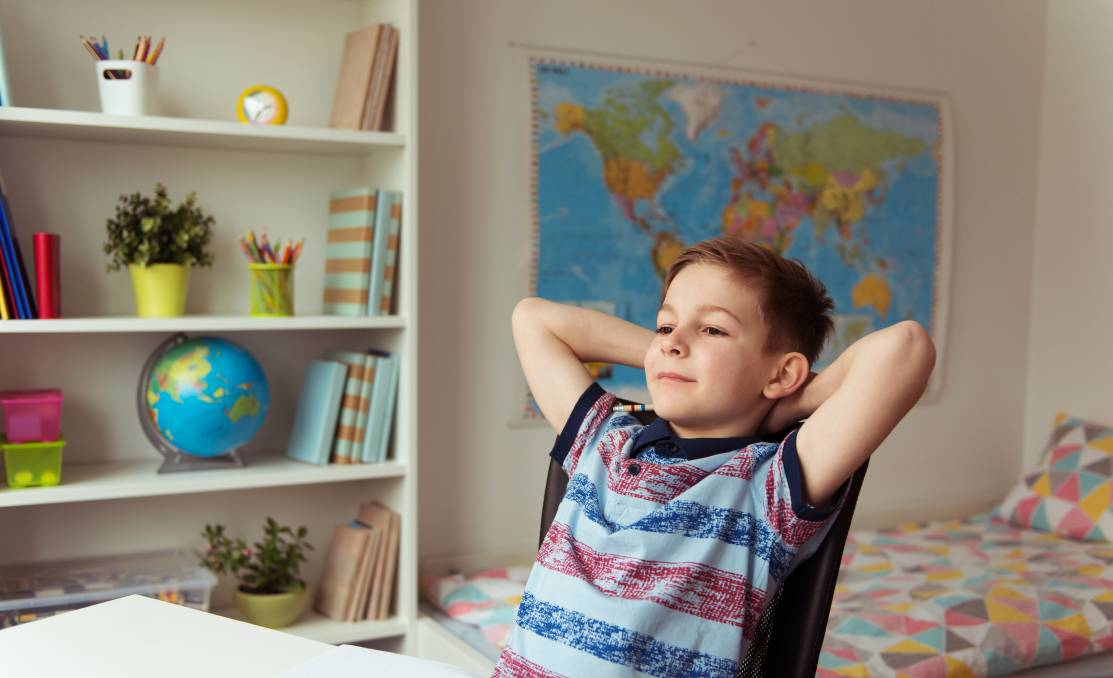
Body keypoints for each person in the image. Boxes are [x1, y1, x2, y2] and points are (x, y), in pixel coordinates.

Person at [494, 237, 936, 677]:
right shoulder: (604, 438)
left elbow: (905, 348)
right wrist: (666, 354)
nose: (672, 343)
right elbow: (532, 319)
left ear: (783, 373)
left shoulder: (766, 488)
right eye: (666, 327)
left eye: (713, 330)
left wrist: (790, 399)